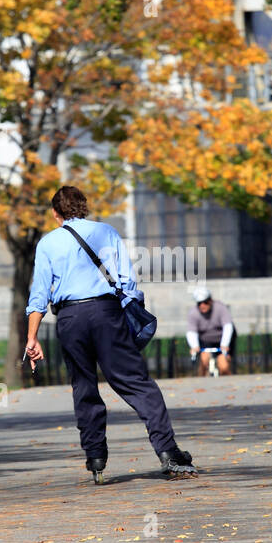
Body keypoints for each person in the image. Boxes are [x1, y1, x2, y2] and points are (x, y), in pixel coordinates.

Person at [24, 186, 194, 480]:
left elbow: (39, 294)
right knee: (136, 382)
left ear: (56, 213)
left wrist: (32, 337)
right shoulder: (107, 233)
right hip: (106, 313)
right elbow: (127, 280)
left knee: (84, 386)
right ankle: (166, 451)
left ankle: (96, 458)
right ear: (84, 207)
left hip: (70, 317)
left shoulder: (47, 244)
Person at [186, 285, 235, 376]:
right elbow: (191, 332)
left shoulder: (221, 308)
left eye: (205, 302)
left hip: (222, 340)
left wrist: (225, 344)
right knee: (204, 362)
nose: (202, 305)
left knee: (223, 366)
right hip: (205, 342)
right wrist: (194, 346)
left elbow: (228, 327)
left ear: (210, 300)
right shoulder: (193, 313)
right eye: (199, 303)